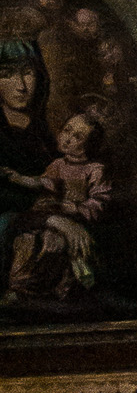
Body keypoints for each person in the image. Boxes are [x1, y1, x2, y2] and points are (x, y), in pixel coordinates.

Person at [6, 110, 111, 300]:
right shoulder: (57, 165)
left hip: (79, 221)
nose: (68, 139)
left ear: (90, 144)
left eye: (78, 136)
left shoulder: (95, 170)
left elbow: (100, 202)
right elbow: (42, 182)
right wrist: (19, 178)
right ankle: (19, 285)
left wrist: (75, 208)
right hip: (52, 215)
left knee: (54, 242)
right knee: (26, 240)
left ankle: (56, 287)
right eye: (67, 130)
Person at [0, 35, 57, 269]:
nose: (21, 86)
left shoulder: (43, 131)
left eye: (28, 73)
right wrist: (49, 219)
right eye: (7, 75)